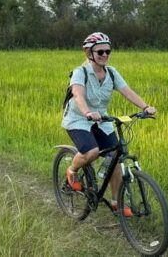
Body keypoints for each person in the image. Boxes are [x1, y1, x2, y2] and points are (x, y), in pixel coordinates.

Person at [61, 32, 157, 217]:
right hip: (79, 118)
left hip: (101, 119)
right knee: (92, 152)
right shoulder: (80, 73)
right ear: (89, 53)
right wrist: (88, 112)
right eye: (100, 52)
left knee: (115, 155)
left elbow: (126, 91)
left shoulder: (111, 72)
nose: (105, 55)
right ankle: (72, 171)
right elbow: (78, 95)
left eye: (108, 51)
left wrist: (145, 107)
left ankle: (116, 202)